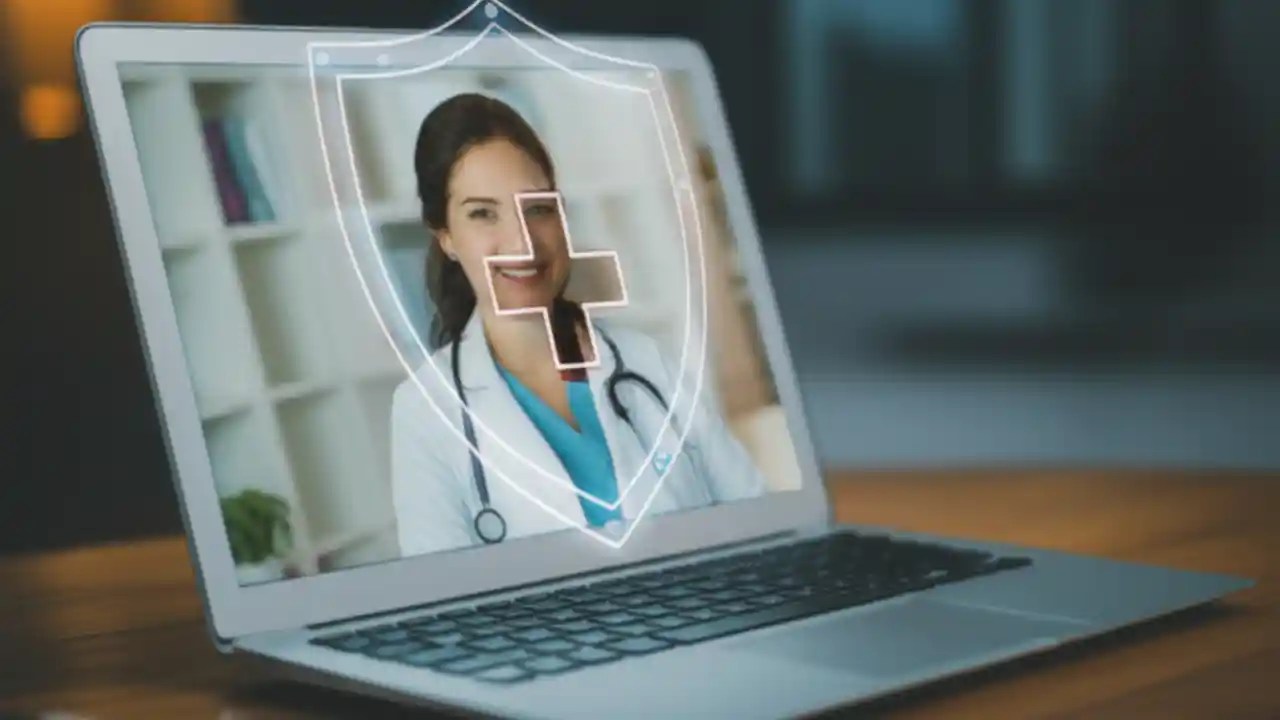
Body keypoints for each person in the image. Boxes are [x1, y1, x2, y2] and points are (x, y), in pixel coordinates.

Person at [390, 93, 764, 556]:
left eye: (538, 209)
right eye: (483, 213)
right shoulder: (424, 411)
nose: (522, 243)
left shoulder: (645, 361)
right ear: (446, 237)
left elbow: (756, 515)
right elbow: (440, 587)